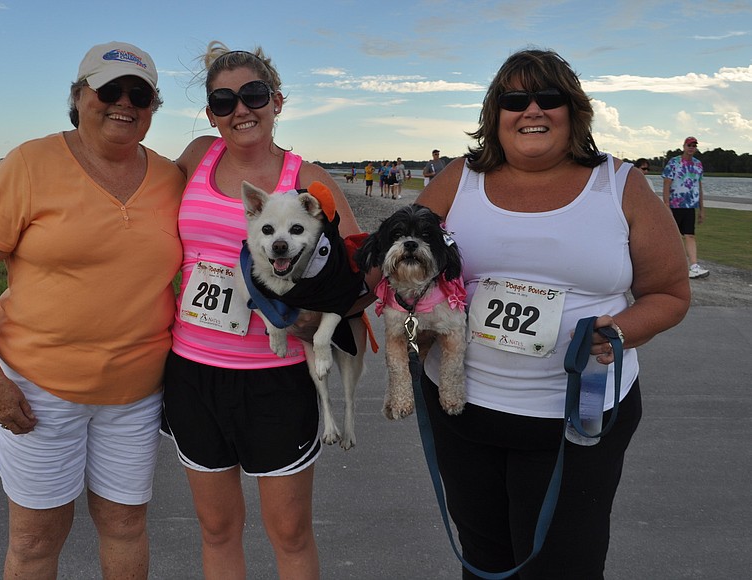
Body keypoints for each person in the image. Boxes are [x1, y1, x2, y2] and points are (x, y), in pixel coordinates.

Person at [416, 49, 690, 579]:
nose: (532, 111)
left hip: (576, 418)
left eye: (550, 98)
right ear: (496, 114)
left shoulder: (620, 184)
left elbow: (670, 294)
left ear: (575, 110)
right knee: (484, 561)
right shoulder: (458, 179)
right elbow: (398, 261)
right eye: (515, 100)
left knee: (564, 567)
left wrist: (618, 330)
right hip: (463, 410)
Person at [0, 42, 185, 578]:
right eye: (109, 90)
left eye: (140, 94)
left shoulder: (172, 179)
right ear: (79, 97)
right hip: (36, 389)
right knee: (35, 541)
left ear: (151, 109)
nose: (124, 102)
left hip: (137, 394)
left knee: (125, 527)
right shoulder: (30, 163)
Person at [162, 41, 377, 579]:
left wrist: (306, 319)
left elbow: (363, 277)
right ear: (211, 114)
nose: (241, 109)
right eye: (223, 100)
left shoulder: (309, 181)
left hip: (274, 377)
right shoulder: (196, 157)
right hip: (193, 369)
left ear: (277, 101)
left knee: (289, 533)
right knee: (216, 530)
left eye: (253, 94)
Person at [662, 137, 709, 278]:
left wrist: (702, 209)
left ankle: (694, 266)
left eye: (694, 145)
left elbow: (699, 186)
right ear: (684, 146)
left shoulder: (698, 164)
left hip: (690, 205)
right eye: (689, 145)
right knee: (672, 236)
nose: (691, 148)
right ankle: (665, 265)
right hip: (674, 205)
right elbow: (666, 183)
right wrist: (666, 205)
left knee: (689, 235)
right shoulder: (674, 162)